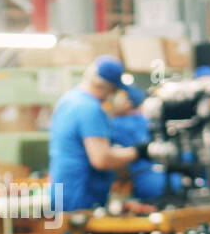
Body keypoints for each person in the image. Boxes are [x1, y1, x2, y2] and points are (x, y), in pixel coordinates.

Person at [48, 55, 170, 211]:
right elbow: (101, 159)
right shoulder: (90, 109)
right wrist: (139, 152)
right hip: (81, 196)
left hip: (64, 190)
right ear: (108, 87)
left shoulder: (69, 100)